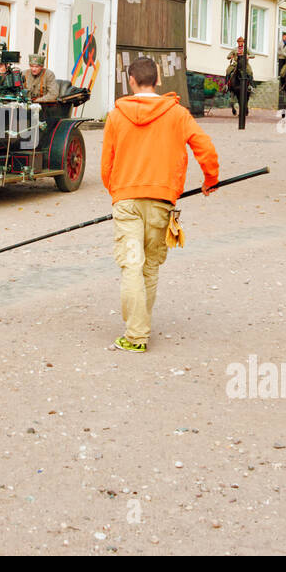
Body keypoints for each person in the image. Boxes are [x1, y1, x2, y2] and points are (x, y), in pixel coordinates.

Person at [101, 56, 219, 353]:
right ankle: (139, 328)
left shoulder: (116, 115)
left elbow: (106, 165)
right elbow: (204, 147)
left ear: (130, 81)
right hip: (160, 201)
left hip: (126, 201)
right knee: (150, 267)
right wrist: (210, 179)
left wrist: (117, 191)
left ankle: (136, 335)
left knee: (131, 266)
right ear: (158, 80)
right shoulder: (177, 114)